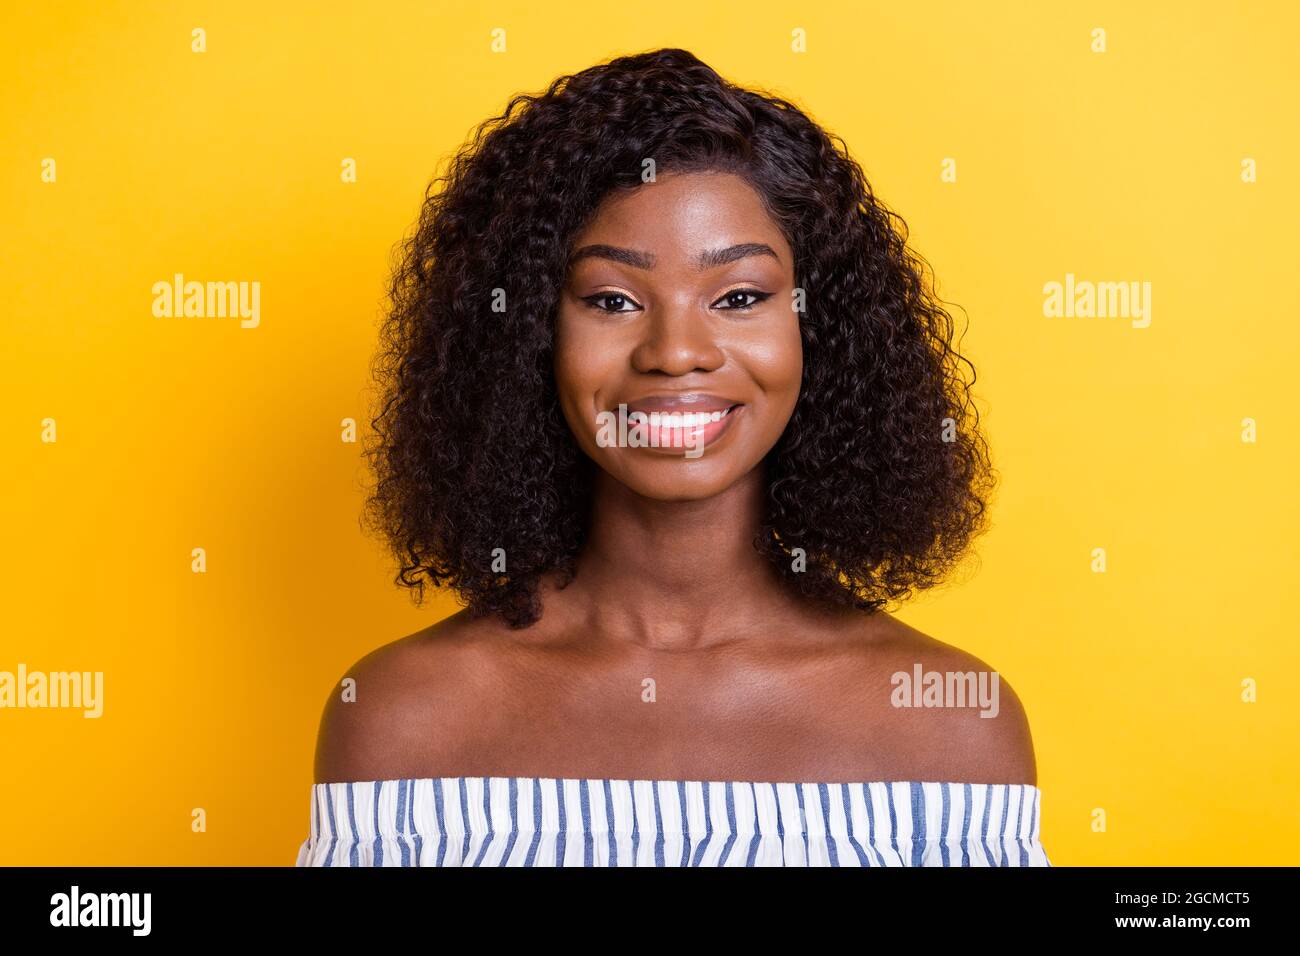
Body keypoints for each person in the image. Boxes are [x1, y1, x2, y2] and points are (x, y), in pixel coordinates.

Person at [296, 47, 1049, 867]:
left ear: (817, 330)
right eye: (612, 300)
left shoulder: (951, 727)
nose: (676, 353)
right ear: (526, 339)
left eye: (738, 298)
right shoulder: (407, 716)